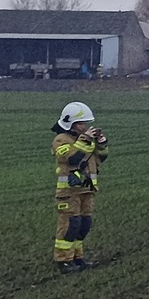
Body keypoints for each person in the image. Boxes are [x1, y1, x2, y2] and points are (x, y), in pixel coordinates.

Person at [50, 102, 109, 272]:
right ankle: (63, 261)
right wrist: (86, 139)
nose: (85, 127)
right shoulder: (60, 140)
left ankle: (78, 257)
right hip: (69, 193)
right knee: (70, 225)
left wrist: (102, 144)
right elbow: (72, 158)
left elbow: (100, 159)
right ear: (71, 123)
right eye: (81, 123)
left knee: (84, 225)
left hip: (86, 190)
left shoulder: (83, 140)